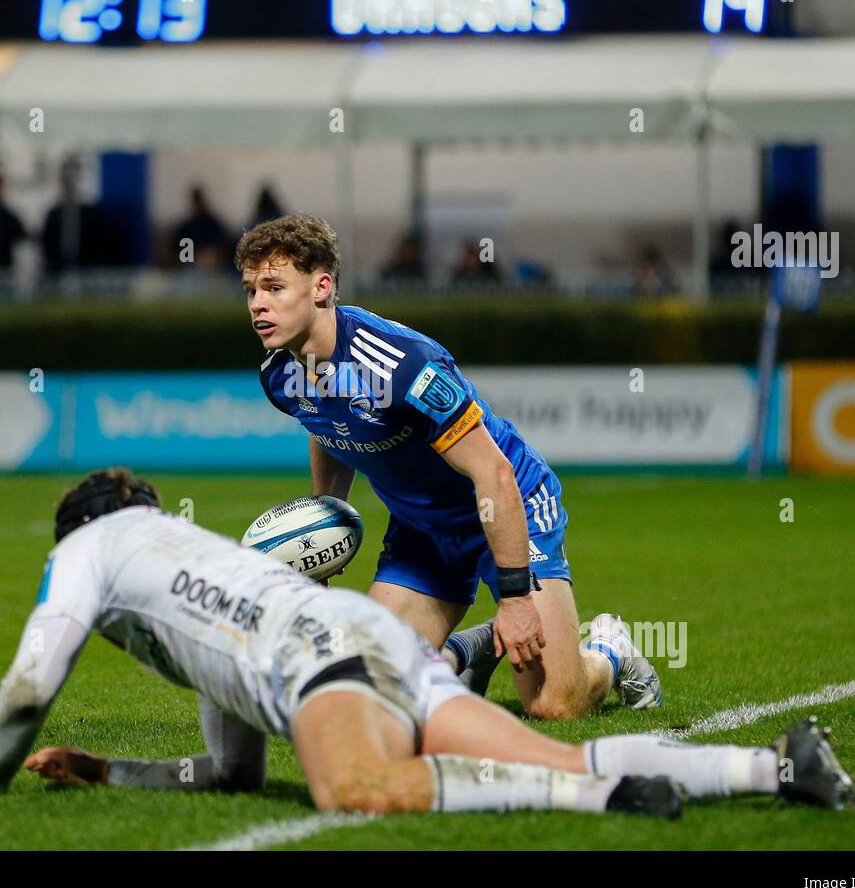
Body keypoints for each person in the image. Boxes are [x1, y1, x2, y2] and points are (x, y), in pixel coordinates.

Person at [0, 467, 855, 818]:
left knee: (354, 791)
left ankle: (598, 800)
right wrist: (112, 771)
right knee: (556, 741)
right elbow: (228, 774)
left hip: (322, 664)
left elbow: (32, 680)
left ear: (77, 531)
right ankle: (775, 767)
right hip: (364, 636)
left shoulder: (89, 550)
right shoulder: (202, 586)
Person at [240, 214, 659, 722]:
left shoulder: (400, 364)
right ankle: (471, 651)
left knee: (554, 705)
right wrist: (329, 523)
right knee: (373, 690)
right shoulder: (280, 374)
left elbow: (494, 474)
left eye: (274, 287)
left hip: (508, 505)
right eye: (251, 290)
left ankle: (611, 649)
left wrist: (515, 599)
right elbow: (324, 426)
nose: (258, 303)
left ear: (322, 286)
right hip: (421, 531)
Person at [169, 184, 233, 271]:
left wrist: (211, 255)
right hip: (191, 266)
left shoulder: (213, 224)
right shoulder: (187, 227)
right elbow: (178, 250)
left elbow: (224, 245)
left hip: (213, 266)